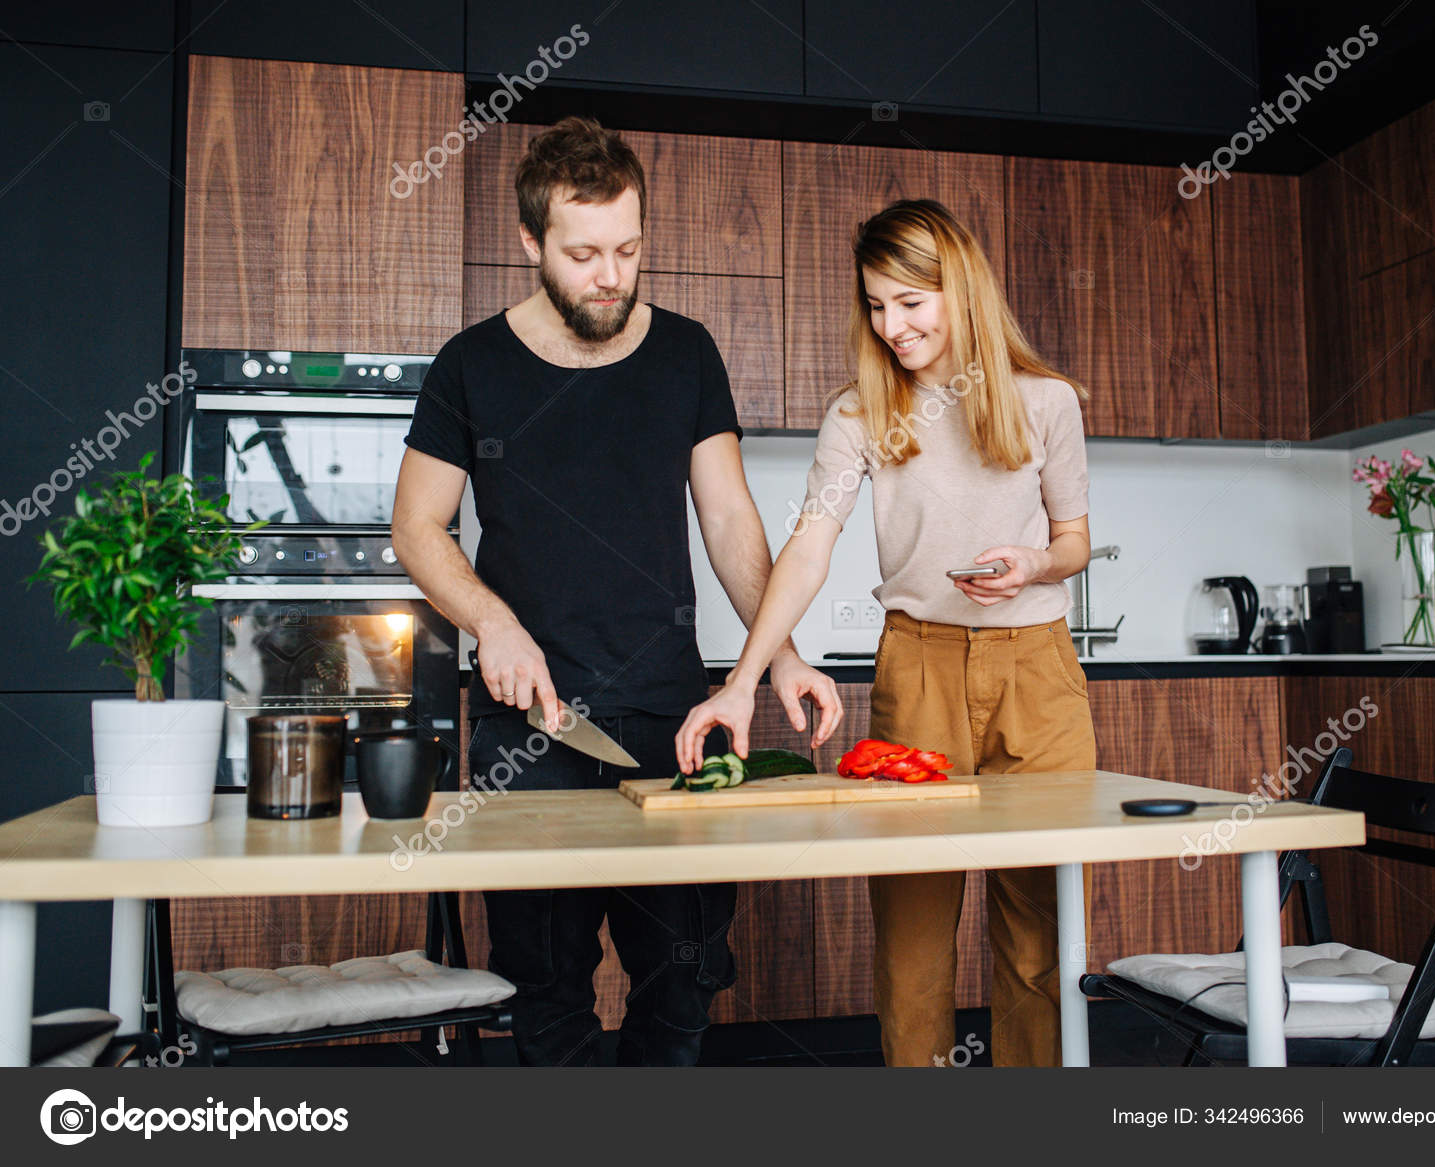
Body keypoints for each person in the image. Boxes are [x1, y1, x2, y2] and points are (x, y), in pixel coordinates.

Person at [393, 116, 840, 1066]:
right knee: (544, 991)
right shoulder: (471, 365)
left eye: (629, 250)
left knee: (684, 980)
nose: (611, 274)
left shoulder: (686, 354)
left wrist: (785, 653)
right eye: (585, 253)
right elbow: (416, 527)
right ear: (532, 245)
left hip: (669, 721)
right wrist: (493, 623)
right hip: (531, 729)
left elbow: (730, 525)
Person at [675, 198, 1097, 1067]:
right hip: (920, 666)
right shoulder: (861, 416)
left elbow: (1075, 542)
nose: (891, 326)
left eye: (910, 302)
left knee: (1036, 939)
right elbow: (807, 547)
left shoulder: (1046, 401)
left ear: (962, 289)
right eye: (875, 305)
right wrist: (741, 678)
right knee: (911, 936)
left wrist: (1033, 563)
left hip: (1038, 672)